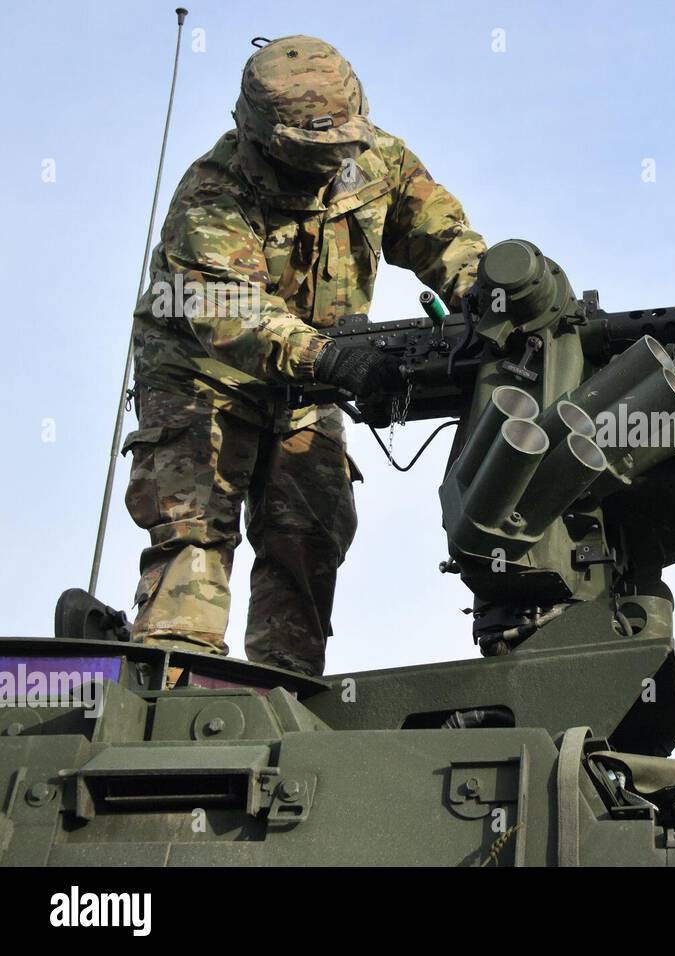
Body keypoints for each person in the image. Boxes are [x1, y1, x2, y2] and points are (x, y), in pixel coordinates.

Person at [123, 35, 485, 676]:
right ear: (264, 137)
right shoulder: (213, 191)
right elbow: (232, 315)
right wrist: (334, 362)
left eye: (337, 150)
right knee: (195, 534)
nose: (328, 165)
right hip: (202, 378)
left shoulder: (378, 162)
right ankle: (169, 699)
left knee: (308, 531)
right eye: (309, 153)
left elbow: (443, 238)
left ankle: (282, 694)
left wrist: (492, 296)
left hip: (309, 380)